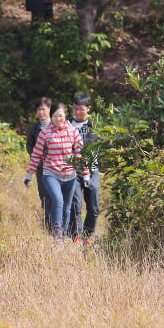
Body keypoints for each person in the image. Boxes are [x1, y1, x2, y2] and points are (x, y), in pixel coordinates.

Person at [24, 102, 89, 241]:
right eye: (55, 116)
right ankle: (57, 233)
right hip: (51, 173)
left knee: (67, 207)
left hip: (70, 175)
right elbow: (36, 154)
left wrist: (86, 174)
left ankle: (63, 236)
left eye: (60, 115)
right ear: (51, 116)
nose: (58, 119)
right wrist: (29, 174)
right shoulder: (45, 133)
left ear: (65, 115)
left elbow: (80, 154)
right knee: (58, 200)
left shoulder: (73, 132)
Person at [67, 92, 100, 246]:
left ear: (89, 109)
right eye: (75, 108)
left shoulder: (96, 126)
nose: (77, 112)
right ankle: (76, 236)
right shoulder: (66, 124)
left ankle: (88, 235)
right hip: (73, 171)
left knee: (93, 207)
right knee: (76, 205)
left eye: (81, 109)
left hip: (92, 170)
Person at [25, 97, 53, 232]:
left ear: (49, 110)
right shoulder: (35, 128)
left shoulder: (57, 124)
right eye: (38, 110)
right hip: (41, 168)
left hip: (57, 168)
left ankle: (62, 226)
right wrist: (36, 157)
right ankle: (49, 227)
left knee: (58, 197)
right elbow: (29, 144)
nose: (41, 112)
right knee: (44, 196)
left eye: (43, 109)